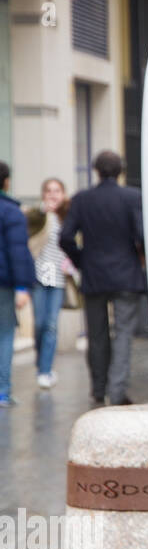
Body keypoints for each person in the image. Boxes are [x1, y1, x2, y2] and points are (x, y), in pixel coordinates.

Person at [60, 150, 146, 405]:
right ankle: (117, 391)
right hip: (125, 276)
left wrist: (81, 260)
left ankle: (98, 389)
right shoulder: (132, 197)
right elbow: (142, 236)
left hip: (94, 276)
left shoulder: (82, 200)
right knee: (123, 334)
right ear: (120, 171)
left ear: (96, 170)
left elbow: (65, 237)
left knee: (96, 336)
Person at [26, 178, 72, 389]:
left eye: (57, 191)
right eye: (49, 190)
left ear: (63, 194)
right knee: (39, 324)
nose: (53, 195)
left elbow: (74, 243)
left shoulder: (68, 217)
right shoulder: (37, 217)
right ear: (43, 194)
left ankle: (45, 371)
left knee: (51, 325)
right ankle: (41, 362)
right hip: (37, 275)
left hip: (58, 277)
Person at [0, 161, 37, 408]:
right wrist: (22, 287)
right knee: (4, 333)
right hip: (3, 283)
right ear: (6, 181)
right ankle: (2, 391)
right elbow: (17, 252)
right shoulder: (12, 211)